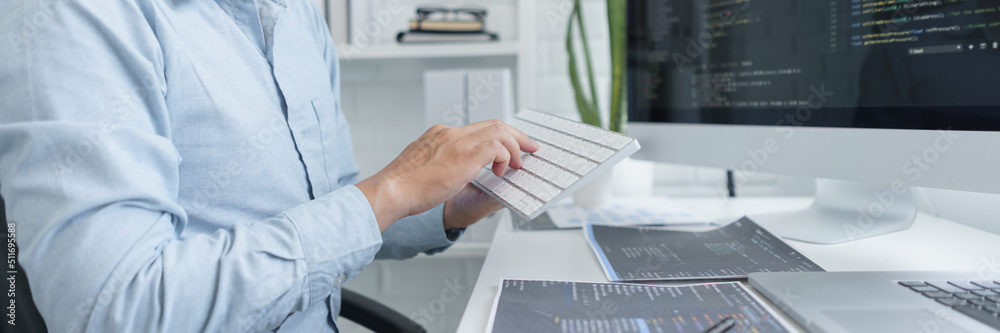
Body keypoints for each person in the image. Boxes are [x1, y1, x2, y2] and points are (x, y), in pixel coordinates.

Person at [0, 0, 535, 331]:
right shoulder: (77, 16)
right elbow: (118, 310)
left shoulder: (296, 14)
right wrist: (391, 190)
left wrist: (442, 206)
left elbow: (331, 200)